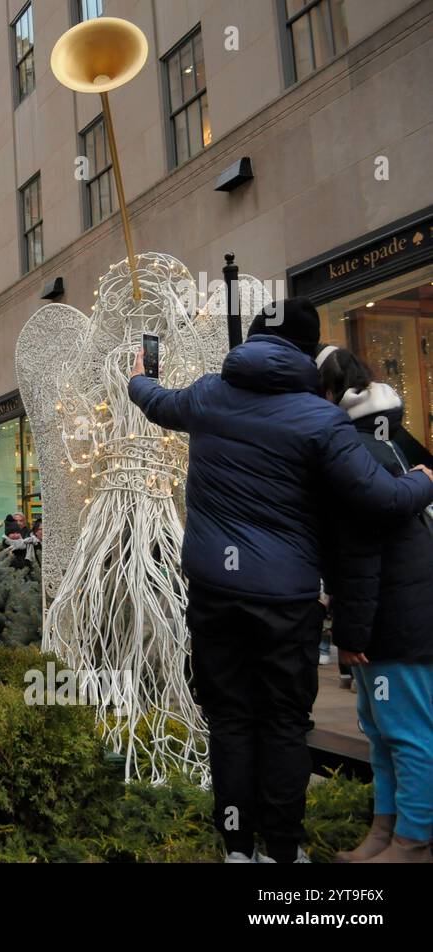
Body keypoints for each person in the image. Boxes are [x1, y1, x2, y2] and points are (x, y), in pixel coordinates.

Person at [127, 298, 433, 864]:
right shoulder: (320, 420)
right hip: (286, 599)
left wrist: (138, 380)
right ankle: (283, 853)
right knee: (285, 722)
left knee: (230, 719)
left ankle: (238, 849)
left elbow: (154, 401)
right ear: (308, 349)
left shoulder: (206, 396)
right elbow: (383, 500)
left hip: (214, 592)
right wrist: (423, 479)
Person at [316, 345, 433, 864]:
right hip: (392, 616)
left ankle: (412, 840)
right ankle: (386, 833)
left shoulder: (359, 455)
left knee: (404, 733)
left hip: (394, 621)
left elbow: (360, 556)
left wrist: (352, 634)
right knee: (383, 730)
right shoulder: (383, 447)